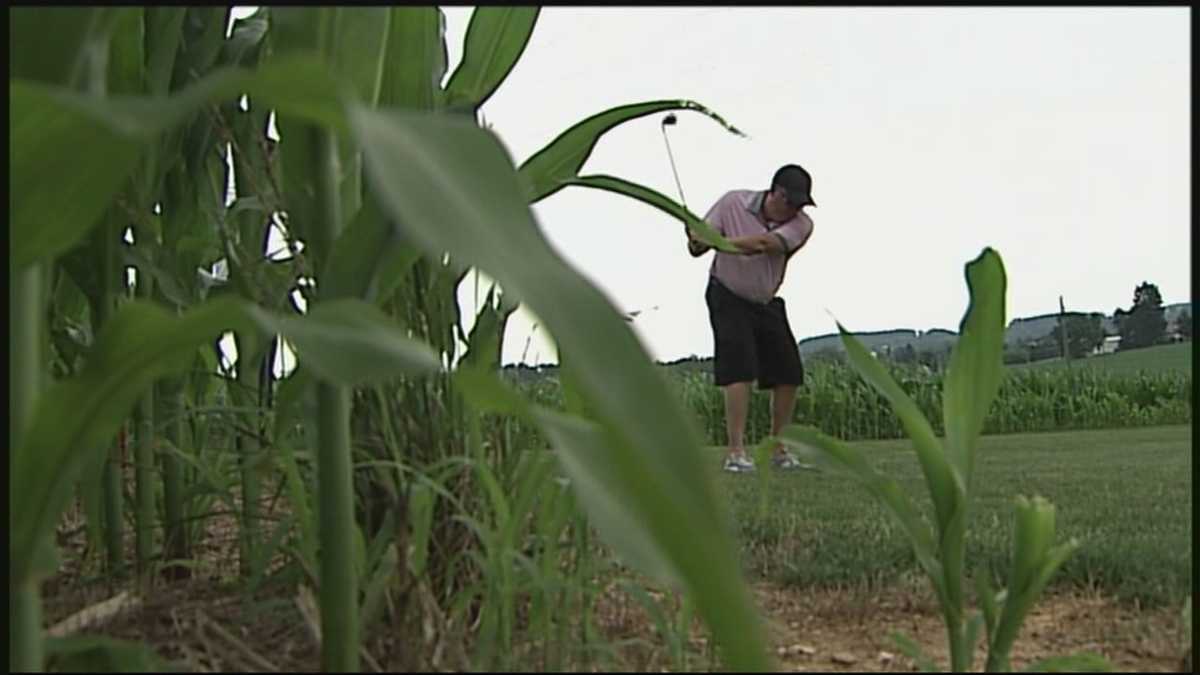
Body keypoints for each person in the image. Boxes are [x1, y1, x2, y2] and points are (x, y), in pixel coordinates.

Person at [686, 164, 817, 473]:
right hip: (726, 294)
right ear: (774, 192)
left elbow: (762, 245)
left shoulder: (803, 225)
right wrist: (698, 239)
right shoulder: (733, 202)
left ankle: (777, 449)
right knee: (738, 370)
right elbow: (697, 247)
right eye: (792, 202)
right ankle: (736, 453)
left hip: (766, 300)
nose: (796, 209)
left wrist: (718, 242)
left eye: (801, 204)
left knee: (788, 372)